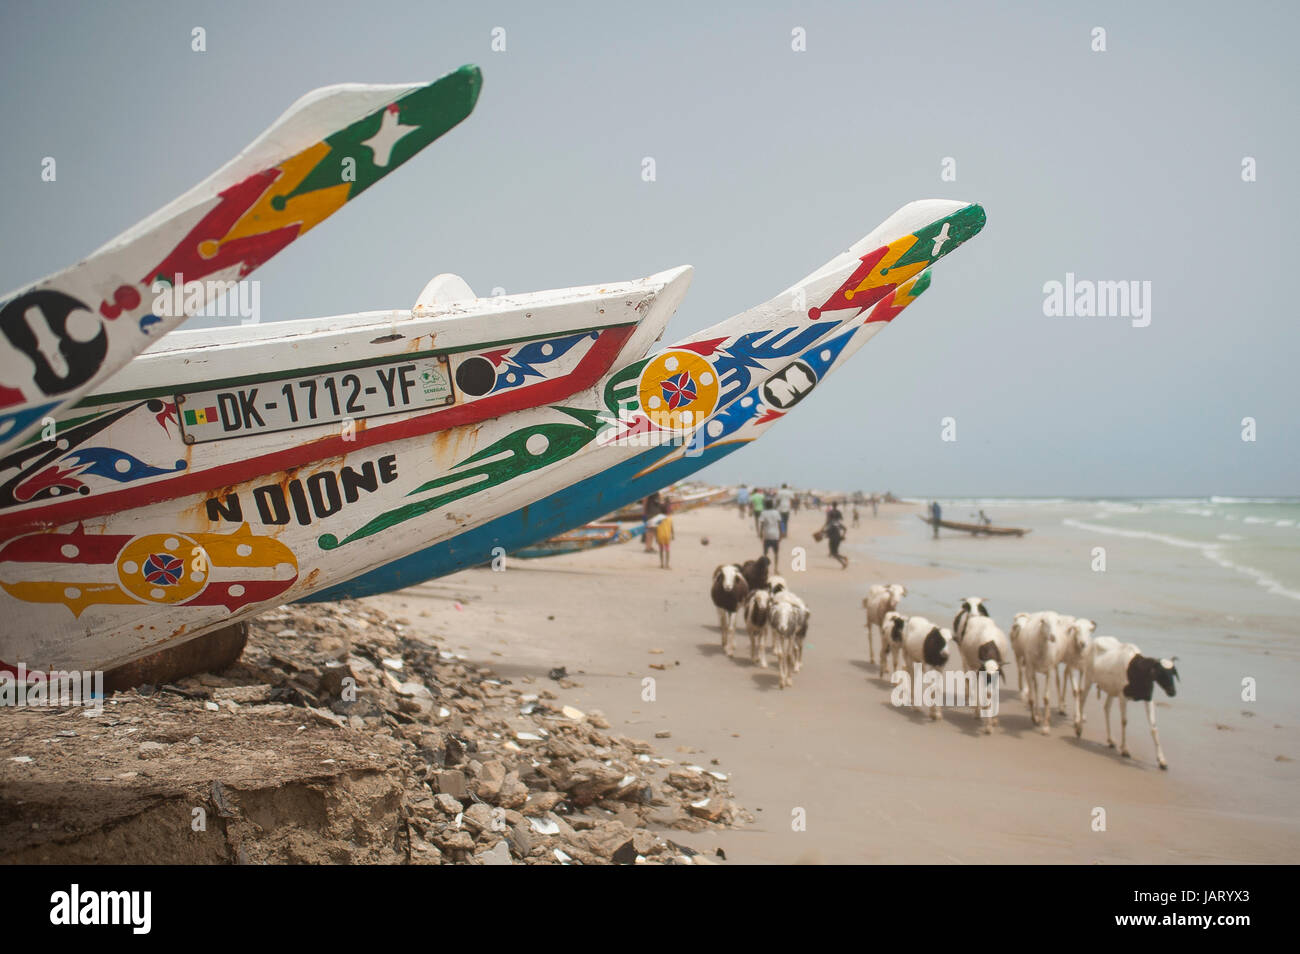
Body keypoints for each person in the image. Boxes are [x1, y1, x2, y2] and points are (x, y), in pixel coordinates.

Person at [823, 502, 848, 568]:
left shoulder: (830, 522)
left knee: (833, 553)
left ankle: (843, 563)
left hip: (833, 539)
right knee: (835, 552)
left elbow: (828, 530)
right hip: (838, 538)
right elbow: (845, 529)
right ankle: (843, 558)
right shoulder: (838, 522)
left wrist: (824, 532)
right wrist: (843, 536)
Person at [758, 499, 782, 566]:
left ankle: (765, 567)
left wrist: (760, 533)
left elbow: (762, 524)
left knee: (765, 553)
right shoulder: (776, 512)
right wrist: (781, 534)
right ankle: (776, 568)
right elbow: (779, 524)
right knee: (776, 553)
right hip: (775, 535)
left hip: (767, 535)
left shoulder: (763, 513)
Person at [654, 502, 675, 569]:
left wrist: (656, 537)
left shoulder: (658, 518)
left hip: (660, 535)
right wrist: (673, 535)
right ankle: (667, 564)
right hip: (667, 536)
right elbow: (671, 527)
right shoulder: (669, 518)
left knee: (661, 550)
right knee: (667, 549)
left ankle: (661, 564)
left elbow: (655, 528)